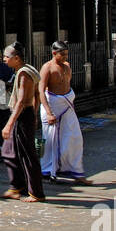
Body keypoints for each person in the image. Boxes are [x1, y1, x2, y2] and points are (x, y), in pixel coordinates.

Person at [0, 42, 45, 202]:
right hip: (27, 114)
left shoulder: (24, 74)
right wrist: (35, 114)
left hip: (22, 115)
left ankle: (36, 192)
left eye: (7, 56)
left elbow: (21, 102)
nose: (4, 59)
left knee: (27, 154)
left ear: (17, 58)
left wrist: (8, 124)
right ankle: (17, 187)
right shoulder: (28, 70)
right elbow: (37, 96)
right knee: (10, 151)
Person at [39, 40, 86, 182]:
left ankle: (73, 169)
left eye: (66, 54)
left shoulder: (67, 66)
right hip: (52, 105)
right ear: (54, 53)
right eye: (62, 54)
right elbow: (41, 91)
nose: (65, 57)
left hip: (66, 105)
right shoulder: (47, 68)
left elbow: (67, 85)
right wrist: (48, 112)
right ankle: (44, 169)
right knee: (47, 140)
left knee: (74, 137)